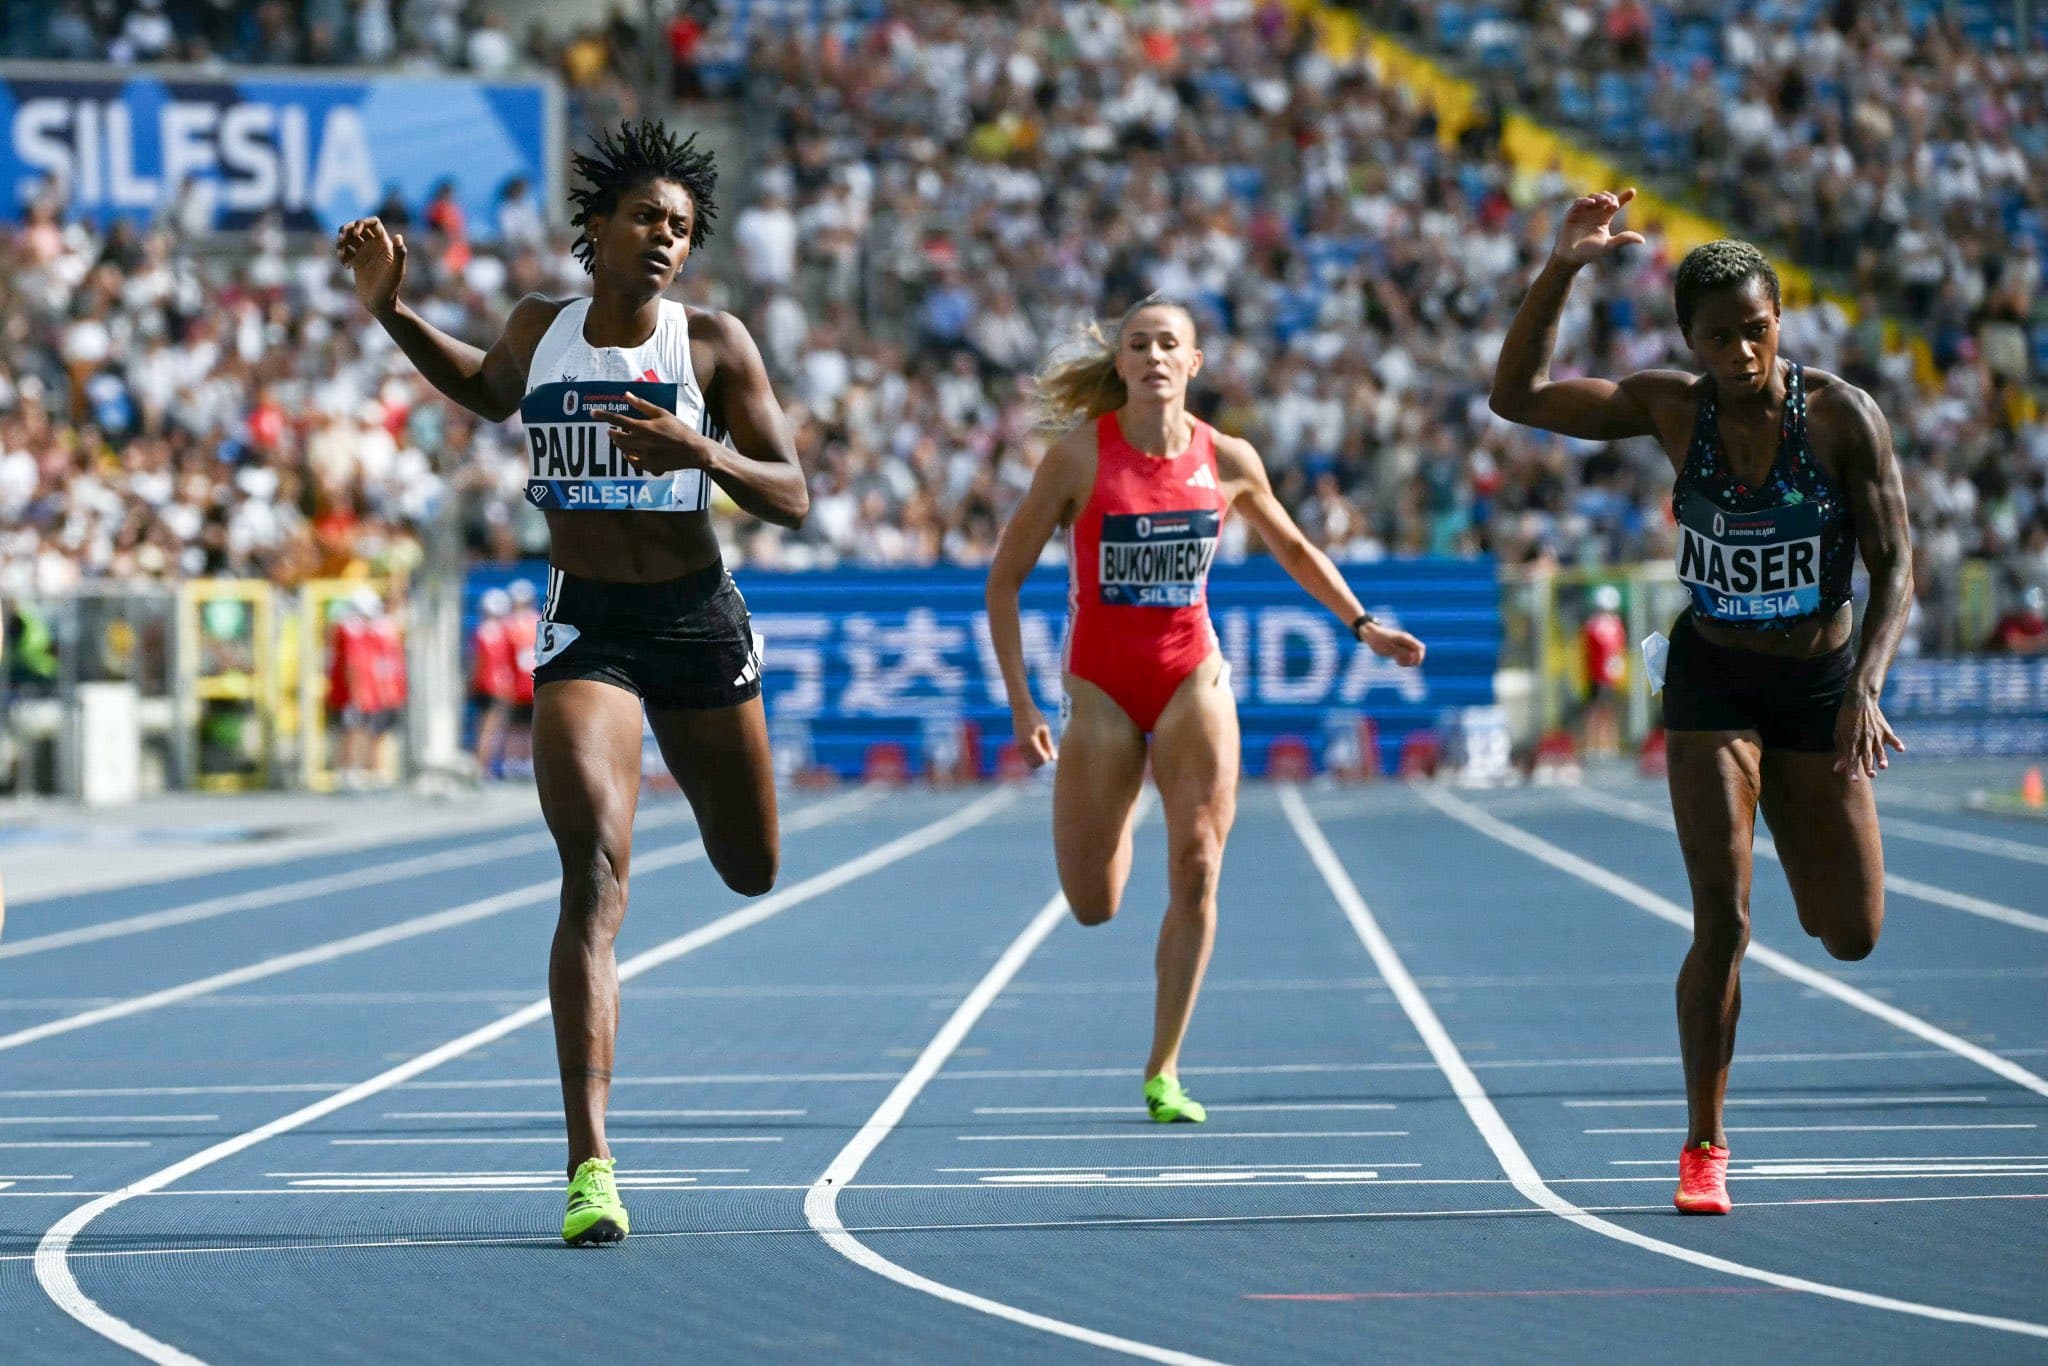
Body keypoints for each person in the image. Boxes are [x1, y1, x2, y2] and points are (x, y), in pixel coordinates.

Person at [337, 119, 808, 1246]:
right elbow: (491, 391)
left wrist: (707, 456)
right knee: (593, 870)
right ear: (593, 229)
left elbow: (790, 494)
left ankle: (701, 796)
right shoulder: (539, 330)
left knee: (751, 867)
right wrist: (394, 311)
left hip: (695, 619)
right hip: (586, 623)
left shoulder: (713, 346)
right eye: (645, 217)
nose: (663, 239)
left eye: (681, 228)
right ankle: (588, 1163)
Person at [1489, 190, 1913, 1215]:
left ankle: (1792, 796)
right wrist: (1561, 267)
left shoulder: (1844, 417)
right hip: (1711, 676)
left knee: (1849, 931)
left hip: (1815, 681)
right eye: (1717, 337)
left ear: (1780, 324)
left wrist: (1864, 681)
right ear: (1690, 341)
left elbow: (1896, 559)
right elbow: (1518, 396)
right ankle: (1701, 1144)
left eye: (1755, 330)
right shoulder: (1672, 406)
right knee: (1720, 918)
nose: (1739, 352)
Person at [985, 296, 1426, 1124]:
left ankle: (1165, 1068)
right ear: (1120, 365)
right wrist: (1020, 700)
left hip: (1194, 676)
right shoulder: (1078, 459)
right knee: (1093, 904)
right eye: (1138, 344)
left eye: (1169, 345)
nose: (1153, 356)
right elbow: (1002, 580)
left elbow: (1294, 545)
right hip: (1102, 693)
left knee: (1197, 863)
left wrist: (1362, 624)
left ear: (1194, 364)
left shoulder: (1228, 459)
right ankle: (1112, 814)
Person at [469, 587, 516, 779]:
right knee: (492, 728)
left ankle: (483, 765)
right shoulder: (505, 632)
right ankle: (484, 766)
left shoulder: (482, 631)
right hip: (499, 685)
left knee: (485, 728)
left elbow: (477, 661)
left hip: (485, 685)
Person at [1579, 583, 1627, 757]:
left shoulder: (1601, 625)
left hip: (1602, 675)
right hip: (1600, 675)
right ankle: (1598, 745)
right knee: (1599, 711)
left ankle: (1606, 746)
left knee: (1604, 711)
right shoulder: (1602, 626)